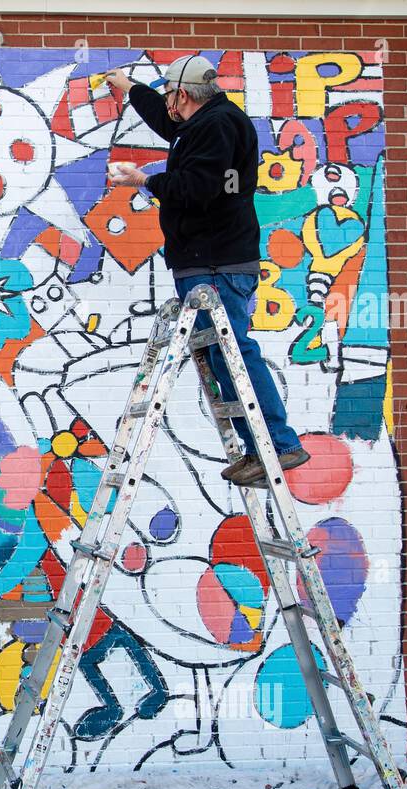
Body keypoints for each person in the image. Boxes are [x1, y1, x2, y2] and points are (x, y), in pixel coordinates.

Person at [108, 58, 309, 486]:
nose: (168, 107)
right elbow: (171, 127)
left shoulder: (216, 127)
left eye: (169, 97)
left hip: (215, 262)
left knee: (233, 350)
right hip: (208, 260)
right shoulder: (209, 122)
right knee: (224, 354)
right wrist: (131, 88)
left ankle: (278, 443)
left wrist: (143, 180)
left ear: (183, 94)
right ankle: (264, 446)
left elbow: (196, 190)